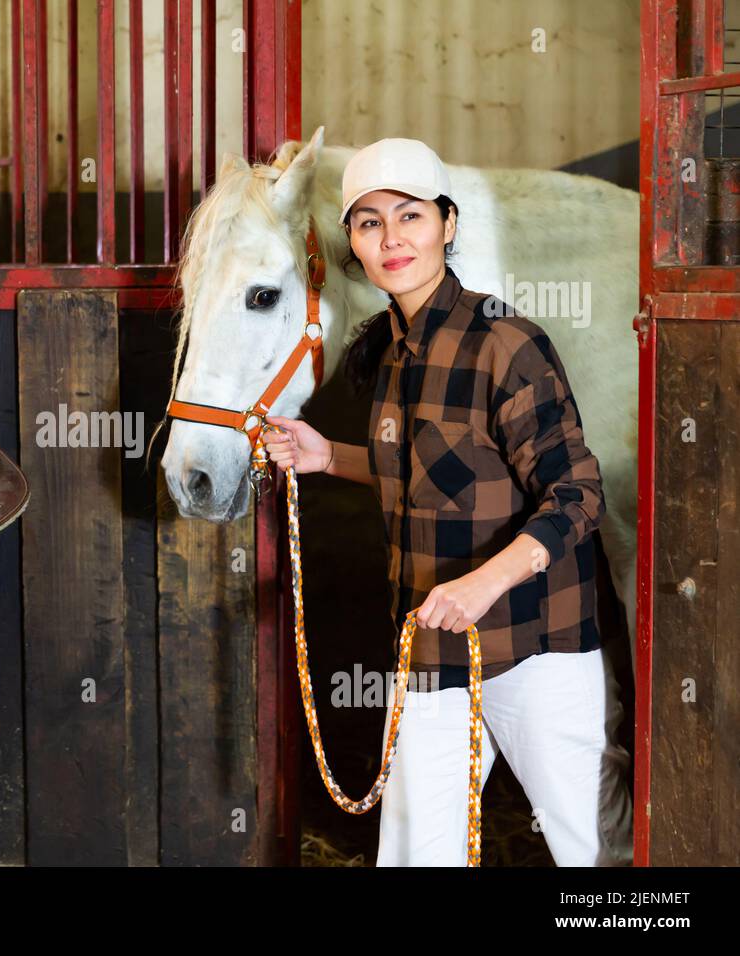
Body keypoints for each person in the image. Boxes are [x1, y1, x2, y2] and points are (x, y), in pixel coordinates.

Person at [264, 138, 633, 867]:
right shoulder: (391, 353)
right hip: (431, 647)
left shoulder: (507, 342)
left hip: (540, 644)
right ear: (353, 248)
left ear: (448, 225)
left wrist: (483, 582)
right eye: (369, 223)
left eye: (410, 215)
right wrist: (327, 456)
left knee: (593, 851)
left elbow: (576, 493)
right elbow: (432, 473)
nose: (392, 237)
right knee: (412, 856)